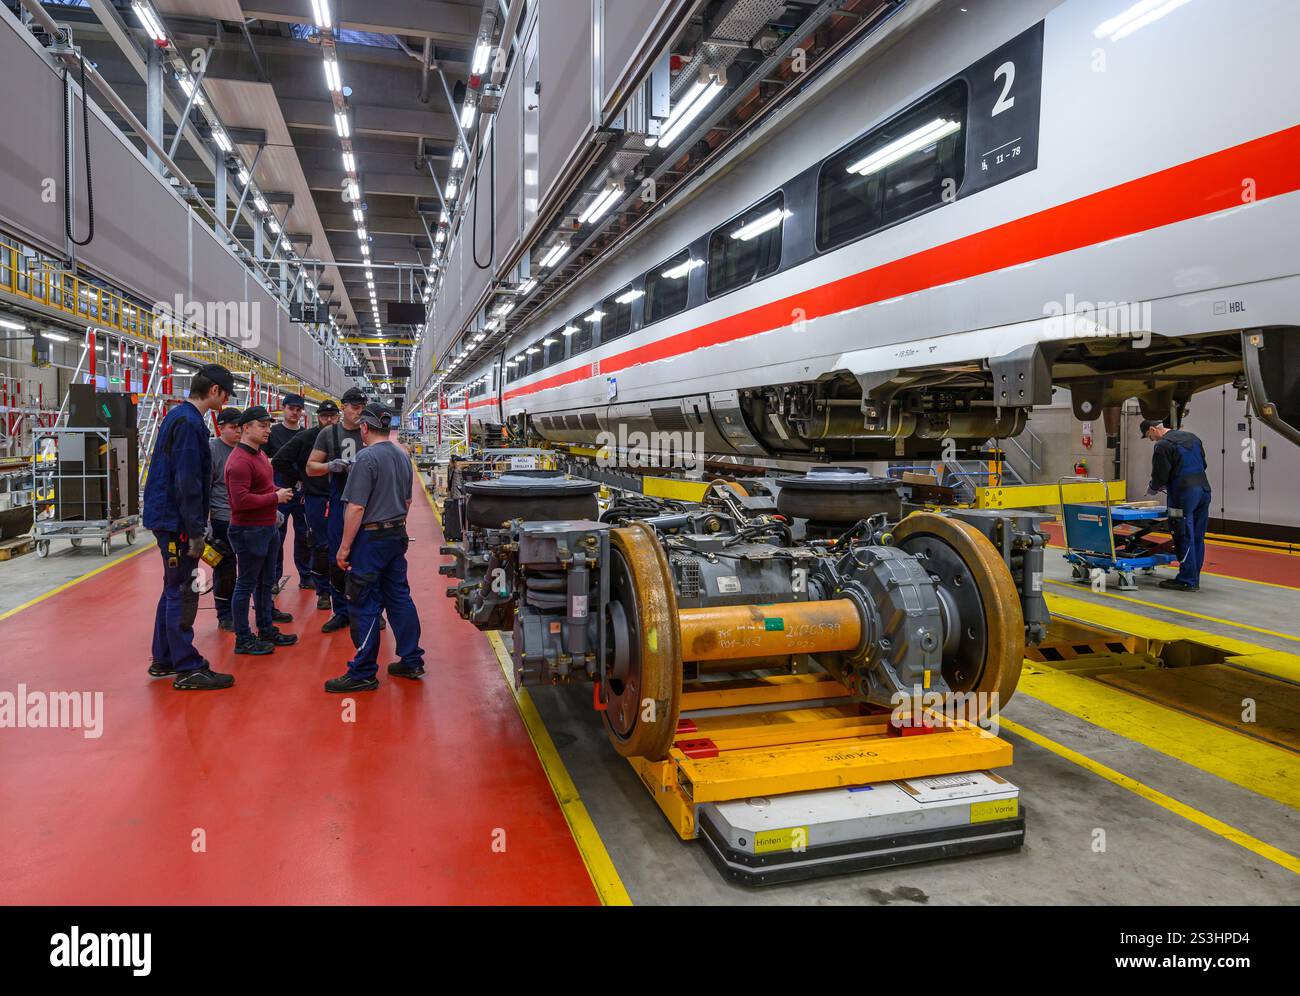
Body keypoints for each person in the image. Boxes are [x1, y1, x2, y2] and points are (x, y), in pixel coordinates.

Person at [142, 362, 234, 690]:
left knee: (173, 587)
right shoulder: (189, 423)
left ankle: (164, 657)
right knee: (183, 590)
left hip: (169, 518)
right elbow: (188, 481)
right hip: (176, 522)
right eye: (224, 395)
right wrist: (196, 530)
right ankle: (186, 666)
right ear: (213, 391)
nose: (225, 401)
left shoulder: (180, 416)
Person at [326, 403, 425, 692]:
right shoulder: (402, 455)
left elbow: (356, 507)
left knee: (362, 601)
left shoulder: (365, 458)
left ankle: (364, 671)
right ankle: (411, 659)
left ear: (365, 428)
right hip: (396, 535)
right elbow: (407, 502)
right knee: (398, 596)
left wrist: (344, 549)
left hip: (371, 540)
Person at [225, 405, 298, 654]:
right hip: (248, 531)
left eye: (268, 425)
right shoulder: (239, 462)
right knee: (245, 584)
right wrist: (275, 498)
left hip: (267, 528)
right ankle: (243, 638)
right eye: (262, 425)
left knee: (266, 582)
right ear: (246, 428)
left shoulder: (259, 455)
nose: (268, 430)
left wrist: (276, 496)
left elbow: (262, 487)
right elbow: (240, 502)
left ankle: (265, 628)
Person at [307, 386, 367, 634]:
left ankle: (367, 609)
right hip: (339, 502)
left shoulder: (369, 432)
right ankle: (340, 611)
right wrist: (331, 465)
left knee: (365, 558)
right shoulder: (329, 434)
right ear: (343, 407)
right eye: (354, 407)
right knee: (336, 559)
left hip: (366, 504)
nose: (358, 412)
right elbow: (311, 467)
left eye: (362, 407)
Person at [273, 399, 338, 611]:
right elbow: (279, 460)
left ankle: (341, 591)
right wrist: (300, 477)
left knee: (343, 546)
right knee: (319, 545)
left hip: (342, 499)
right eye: (324, 416)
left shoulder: (345, 437)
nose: (328, 420)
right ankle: (322, 592)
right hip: (315, 498)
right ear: (317, 417)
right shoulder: (306, 438)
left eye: (332, 416)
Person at [1142, 418, 1212, 592]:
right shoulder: (1192, 437)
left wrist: (1153, 488)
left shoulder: (1162, 446)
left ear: (1152, 429)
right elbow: (1203, 464)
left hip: (1183, 494)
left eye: (1147, 435)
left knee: (1182, 534)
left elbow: (1159, 476)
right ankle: (1193, 575)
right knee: (1197, 535)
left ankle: (1187, 580)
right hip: (1203, 490)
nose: (1150, 439)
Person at [265, 393, 313, 598]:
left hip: (301, 492)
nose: (295, 412)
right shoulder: (273, 433)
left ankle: (306, 575)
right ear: (283, 408)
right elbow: (263, 460)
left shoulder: (307, 435)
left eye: (298, 409)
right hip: (278, 491)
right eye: (291, 408)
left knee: (304, 536)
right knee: (277, 536)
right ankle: (273, 579)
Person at [208, 407, 242, 632]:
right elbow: (205, 487)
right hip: (222, 518)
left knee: (251, 566)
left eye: (241, 427)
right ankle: (224, 614)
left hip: (247, 517)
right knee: (225, 568)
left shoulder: (247, 449)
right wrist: (205, 523)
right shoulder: (212, 451)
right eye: (233, 427)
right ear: (220, 427)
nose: (238, 432)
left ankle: (243, 609)